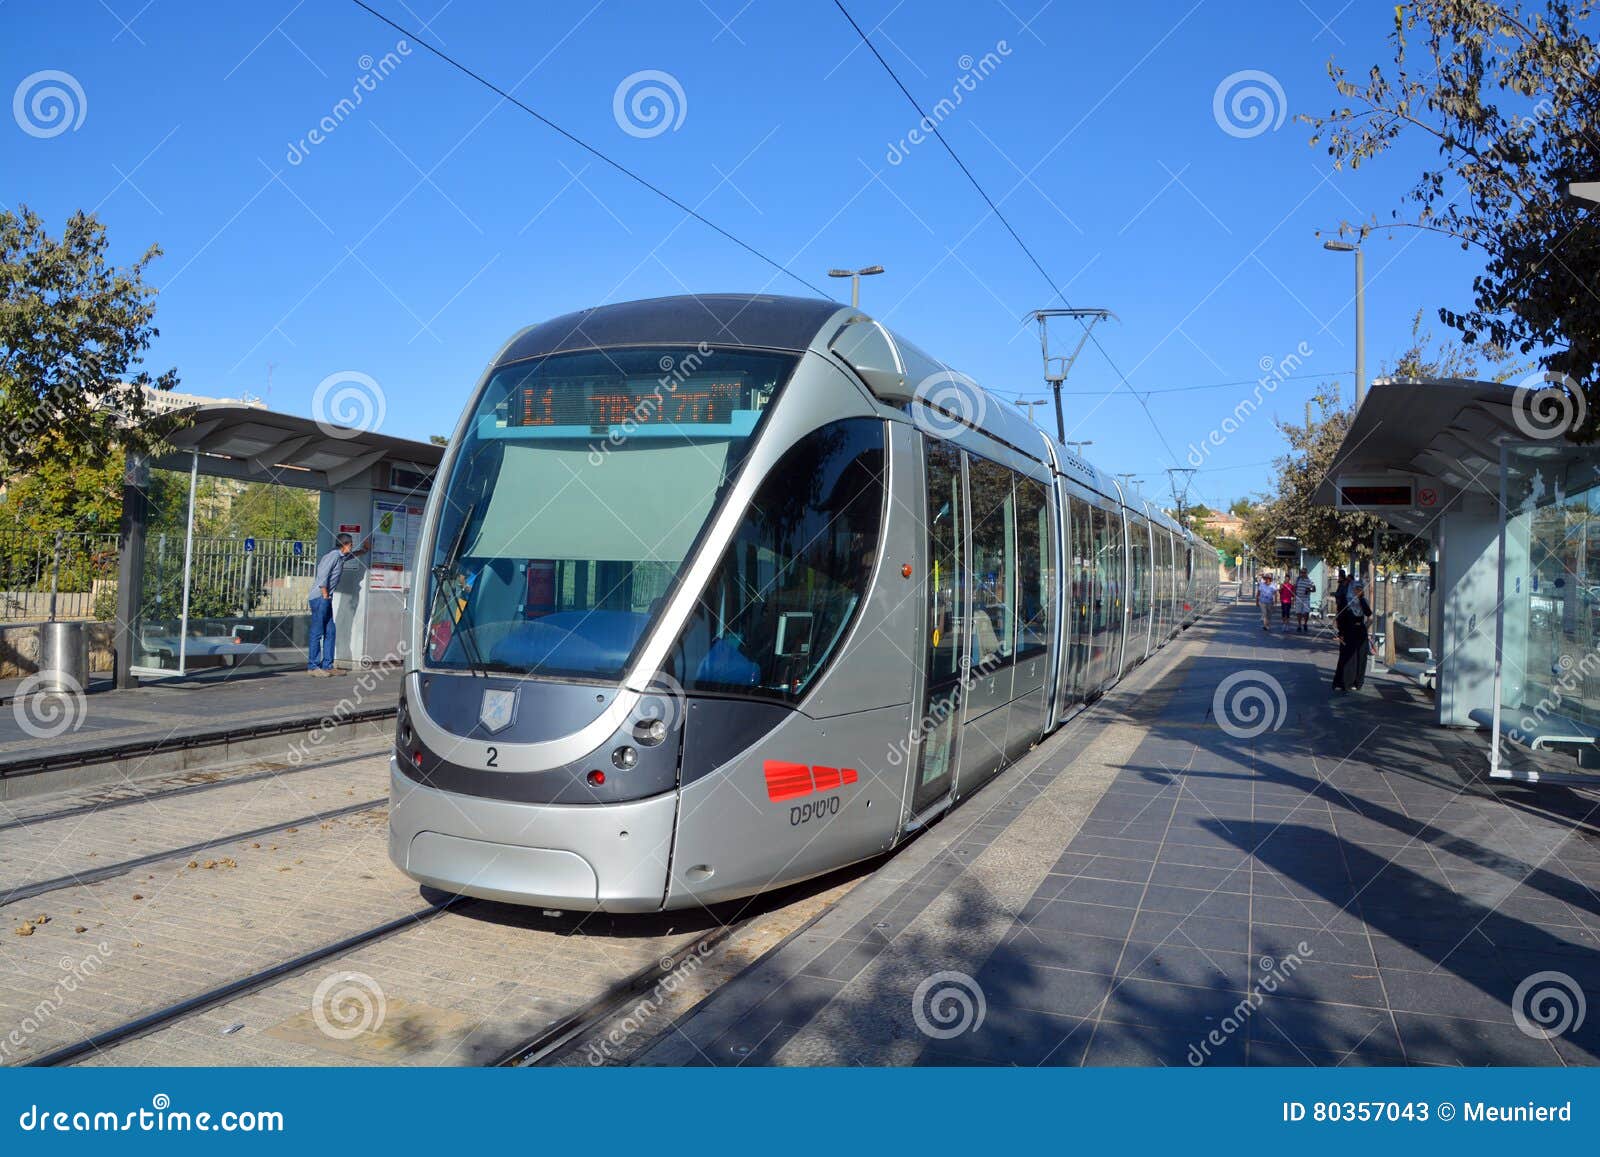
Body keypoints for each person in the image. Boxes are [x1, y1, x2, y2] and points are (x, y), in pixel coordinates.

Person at [307, 533, 370, 676]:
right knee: (317, 632)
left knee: (330, 631)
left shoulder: (340, 556)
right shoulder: (333, 556)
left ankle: (328, 665)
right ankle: (313, 667)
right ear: (345, 545)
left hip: (326, 598)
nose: (352, 546)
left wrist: (364, 550)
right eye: (351, 544)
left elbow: (351, 555)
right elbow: (322, 575)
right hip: (319, 598)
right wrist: (325, 595)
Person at [1331, 578, 1373, 691]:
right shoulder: (1346, 601)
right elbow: (1341, 618)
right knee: (1347, 657)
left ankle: (1357, 682)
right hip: (1348, 631)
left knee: (1360, 657)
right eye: (1356, 589)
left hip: (1360, 632)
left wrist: (1361, 599)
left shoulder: (1363, 601)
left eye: (1360, 589)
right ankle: (1343, 682)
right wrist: (1341, 633)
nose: (1357, 591)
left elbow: (1368, 613)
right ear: (1352, 589)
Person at [1292, 567, 1316, 632]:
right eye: (1301, 573)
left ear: (1306, 573)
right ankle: (1299, 625)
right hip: (1298, 598)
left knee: (1306, 612)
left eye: (1304, 573)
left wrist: (1309, 590)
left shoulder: (1310, 580)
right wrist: (1294, 596)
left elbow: (1314, 589)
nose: (1302, 574)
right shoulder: (1297, 579)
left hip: (1306, 599)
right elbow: (1294, 587)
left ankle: (1305, 623)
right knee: (1298, 612)